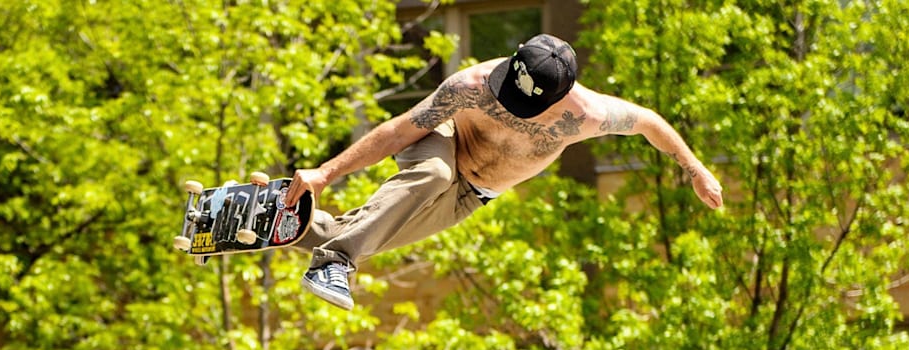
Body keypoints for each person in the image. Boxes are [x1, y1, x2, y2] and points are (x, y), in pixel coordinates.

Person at [285, 34, 724, 310]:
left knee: (372, 234)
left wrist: (695, 169)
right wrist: (327, 171)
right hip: (445, 143)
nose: (506, 104)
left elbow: (649, 121)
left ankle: (278, 218)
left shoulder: (588, 115)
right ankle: (335, 261)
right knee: (434, 174)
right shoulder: (471, 86)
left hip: (475, 193)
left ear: (561, 95)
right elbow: (400, 131)